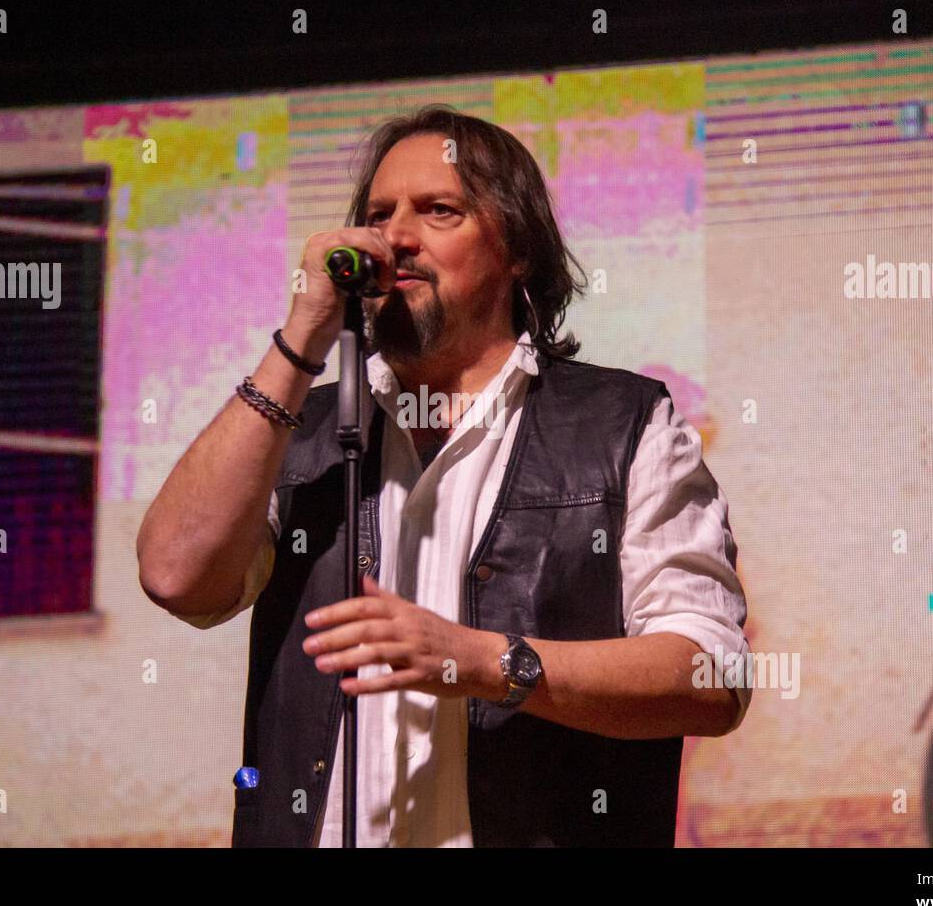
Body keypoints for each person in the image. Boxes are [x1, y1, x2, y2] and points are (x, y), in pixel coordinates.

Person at [136, 104, 750, 847]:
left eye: (439, 211)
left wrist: (479, 660)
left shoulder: (624, 424)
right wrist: (302, 337)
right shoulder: (301, 434)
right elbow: (175, 574)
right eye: (379, 214)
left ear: (517, 248)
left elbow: (710, 675)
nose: (396, 236)